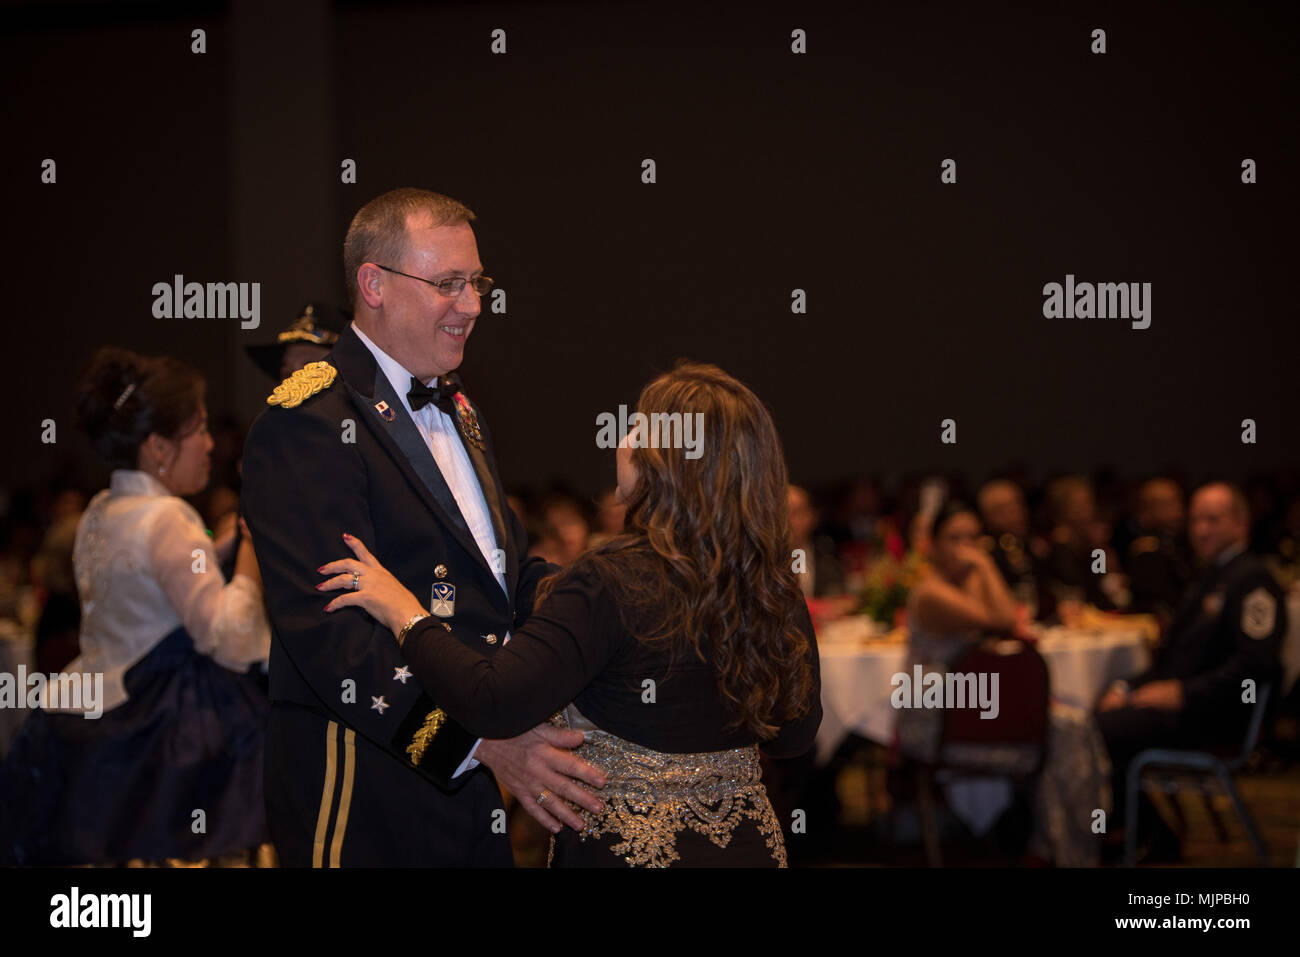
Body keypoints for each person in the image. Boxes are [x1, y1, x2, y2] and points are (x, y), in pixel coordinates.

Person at [317, 363, 822, 867]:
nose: (622, 439)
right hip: (748, 846)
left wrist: (404, 610)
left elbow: (491, 700)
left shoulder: (607, 582)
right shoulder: (773, 583)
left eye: (636, 427)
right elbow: (794, 735)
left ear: (665, 459)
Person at [241, 188, 605, 867]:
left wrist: (607, 602)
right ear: (373, 284)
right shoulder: (307, 422)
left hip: (471, 782)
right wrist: (482, 742)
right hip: (364, 784)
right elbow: (333, 643)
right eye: (448, 284)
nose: (472, 305)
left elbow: (503, 577)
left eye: (476, 283)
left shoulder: (461, 409)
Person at [0, 347, 272, 866]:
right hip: (155, 718)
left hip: (87, 702)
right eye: (199, 430)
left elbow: (145, 583)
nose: (210, 445)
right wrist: (249, 562)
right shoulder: (170, 518)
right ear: (158, 448)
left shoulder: (101, 510)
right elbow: (229, 636)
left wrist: (213, 551)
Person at [898, 500, 1111, 866]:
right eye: (954, 539)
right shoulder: (930, 593)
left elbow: (1004, 615)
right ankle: (1060, 845)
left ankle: (1065, 839)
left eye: (973, 538)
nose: (965, 548)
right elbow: (1004, 619)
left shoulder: (965, 585)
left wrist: (977, 569)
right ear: (931, 545)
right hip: (938, 718)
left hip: (975, 704)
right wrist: (983, 562)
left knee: (1073, 724)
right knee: (1064, 732)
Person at [1096, 481, 1286, 862]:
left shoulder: (1251, 580)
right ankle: (1143, 835)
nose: (1201, 530)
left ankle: (1129, 836)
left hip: (1217, 713)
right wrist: (1125, 686)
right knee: (1097, 718)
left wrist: (1184, 693)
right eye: (1196, 519)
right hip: (1191, 705)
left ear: (1241, 523)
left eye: (1213, 520)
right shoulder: (1211, 576)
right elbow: (1171, 661)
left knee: (1100, 731)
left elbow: (1255, 667)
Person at [787, 484, 846, 598]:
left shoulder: (827, 554)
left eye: (795, 512)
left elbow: (837, 594)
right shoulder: (765, 561)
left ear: (812, 516)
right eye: (783, 512)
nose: (788, 519)